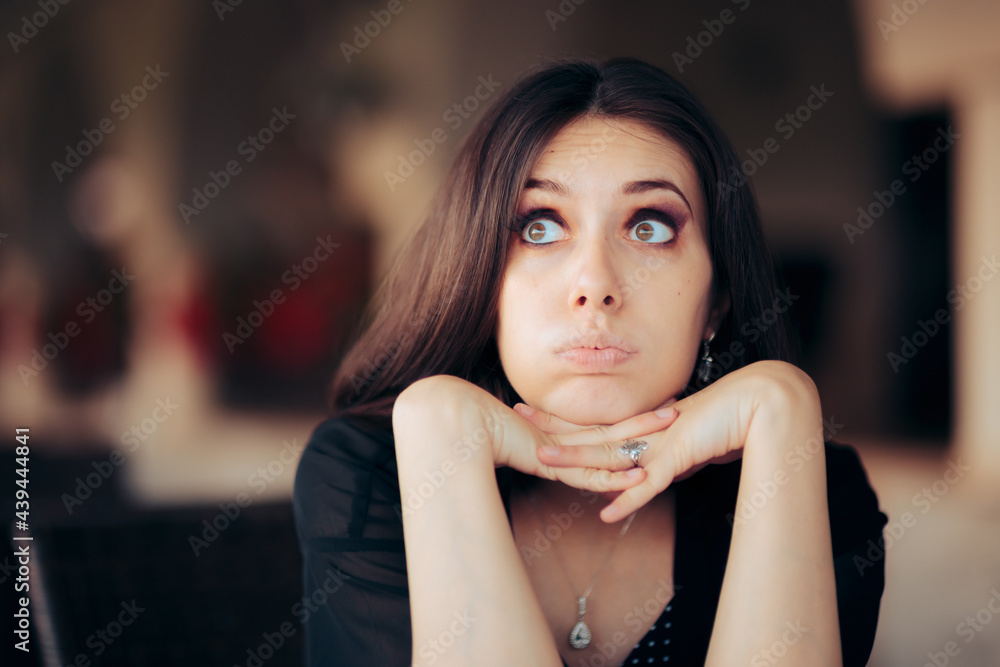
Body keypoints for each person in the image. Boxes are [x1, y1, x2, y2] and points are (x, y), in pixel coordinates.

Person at [293, 57, 888, 667]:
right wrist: (441, 431)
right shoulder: (369, 474)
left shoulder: (809, 483)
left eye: (650, 228)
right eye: (541, 227)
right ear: (479, 278)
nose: (595, 285)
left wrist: (782, 406)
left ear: (716, 303)